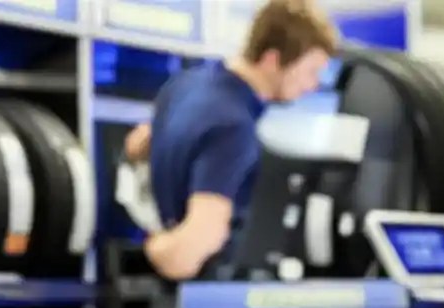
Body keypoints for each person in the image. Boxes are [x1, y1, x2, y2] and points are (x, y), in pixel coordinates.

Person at [122, 0, 337, 280]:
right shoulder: (232, 124)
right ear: (272, 59)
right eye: (310, 72)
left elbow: (137, 143)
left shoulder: (182, 86)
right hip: (214, 297)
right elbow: (189, 252)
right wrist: (154, 245)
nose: (312, 85)